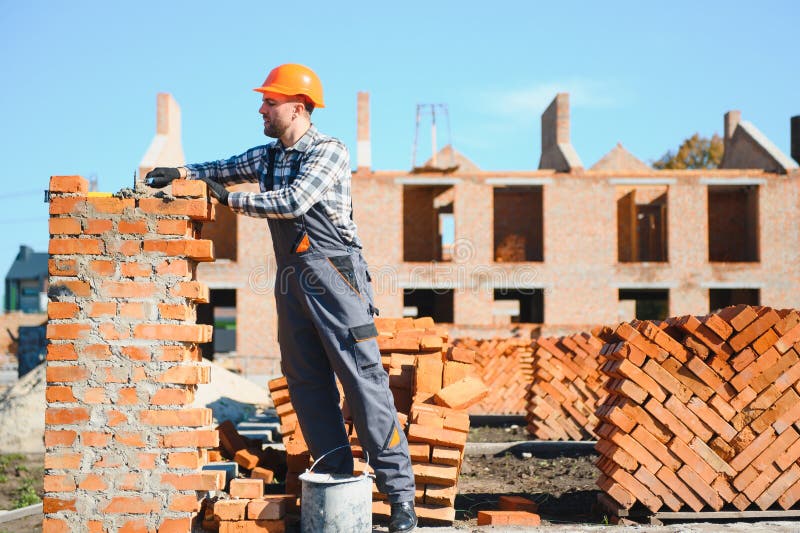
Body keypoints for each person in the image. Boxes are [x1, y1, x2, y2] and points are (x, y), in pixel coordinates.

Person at [145, 64, 417, 532]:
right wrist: (181, 173)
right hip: (293, 281)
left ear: (297, 106)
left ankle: (400, 497)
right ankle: (335, 475)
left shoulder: (329, 151)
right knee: (305, 380)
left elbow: (292, 202)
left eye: (269, 102)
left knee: (364, 383)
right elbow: (221, 169)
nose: (261, 108)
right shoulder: (266, 156)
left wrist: (229, 201)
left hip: (337, 279)